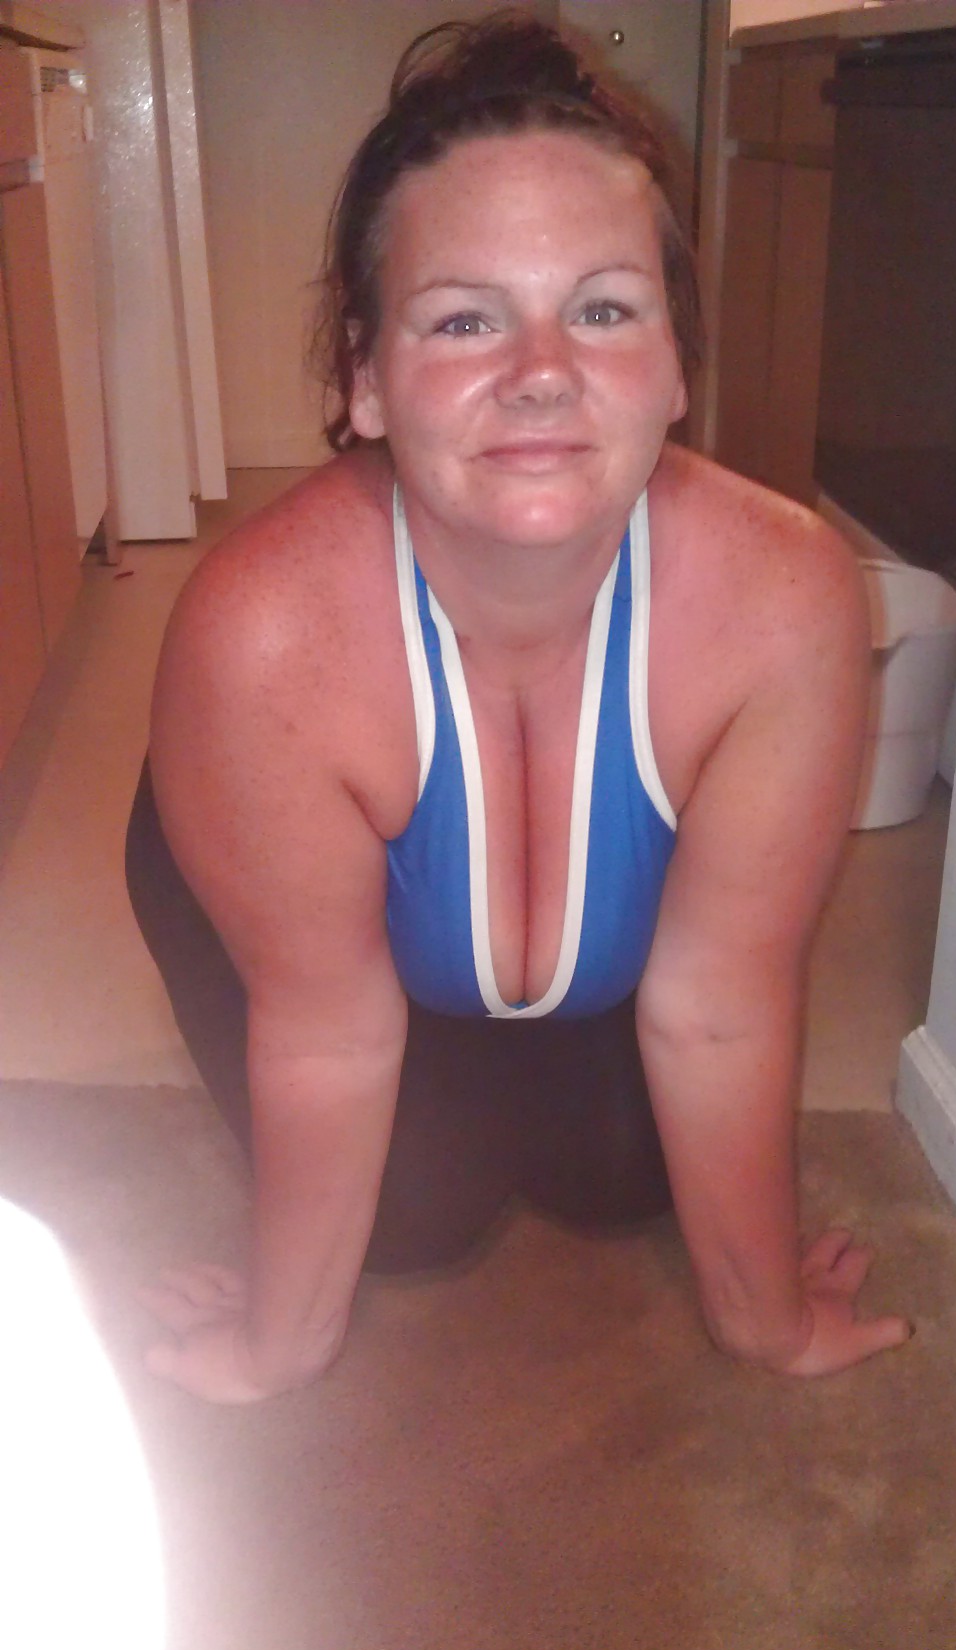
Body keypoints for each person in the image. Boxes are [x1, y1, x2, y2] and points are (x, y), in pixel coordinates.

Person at [127, 12, 910, 1405]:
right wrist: (276, 1341)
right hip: (290, 879)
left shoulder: (790, 600)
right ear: (364, 379)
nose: (542, 370)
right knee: (407, 1224)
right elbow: (326, 1032)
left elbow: (721, 1007)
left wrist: (770, 1322)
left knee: (626, 1182)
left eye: (603, 309)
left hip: (577, 937)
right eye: (464, 318)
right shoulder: (261, 638)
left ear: (677, 364)